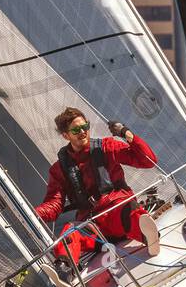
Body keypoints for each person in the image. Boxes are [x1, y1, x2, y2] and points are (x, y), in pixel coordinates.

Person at [35, 107, 161, 270]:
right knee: (70, 231)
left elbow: (148, 161)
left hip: (118, 209)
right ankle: (65, 270)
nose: (82, 132)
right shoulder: (58, 169)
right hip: (93, 224)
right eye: (76, 129)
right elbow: (55, 203)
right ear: (66, 135)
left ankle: (149, 236)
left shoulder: (106, 147)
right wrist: (35, 213)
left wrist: (125, 133)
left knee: (129, 211)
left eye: (85, 126)